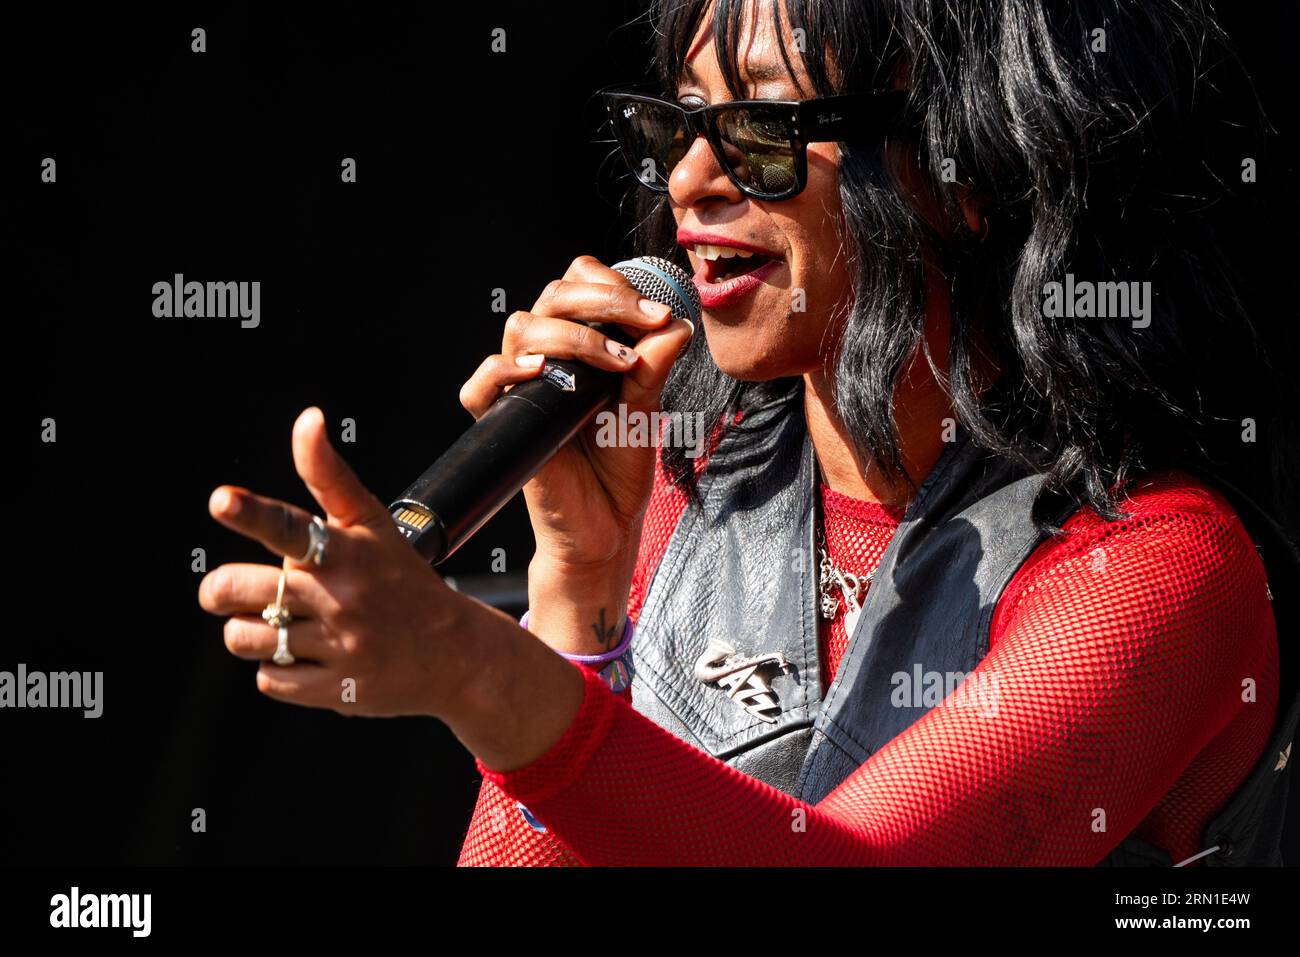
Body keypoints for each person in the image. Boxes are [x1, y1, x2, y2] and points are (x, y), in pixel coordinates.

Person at [199, 0, 1298, 866]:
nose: (687, 180)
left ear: (972, 173)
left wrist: (473, 673)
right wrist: (576, 596)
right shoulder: (687, 488)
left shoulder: (1155, 565)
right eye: (677, 126)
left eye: (758, 133)